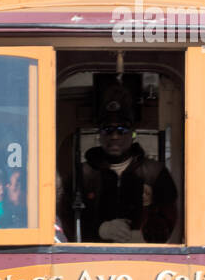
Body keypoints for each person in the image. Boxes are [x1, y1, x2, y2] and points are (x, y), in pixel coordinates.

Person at [69, 100, 178, 243]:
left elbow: (170, 216)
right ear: (100, 135)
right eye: (107, 130)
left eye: (122, 130)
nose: (115, 136)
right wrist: (100, 230)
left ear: (133, 134)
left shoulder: (155, 172)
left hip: (145, 257)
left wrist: (144, 236)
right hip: (92, 257)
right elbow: (66, 216)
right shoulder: (82, 173)